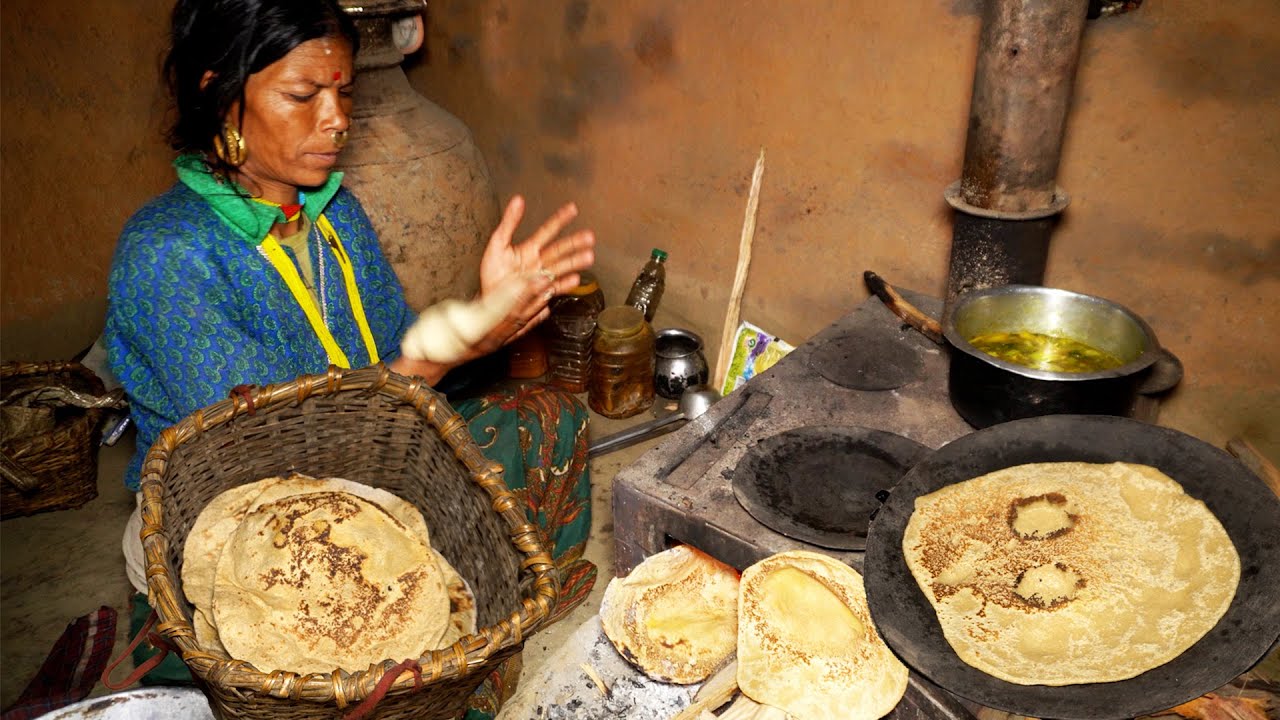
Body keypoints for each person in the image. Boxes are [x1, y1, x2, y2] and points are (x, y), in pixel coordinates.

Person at [103, 1, 595, 716]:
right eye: (303, 96)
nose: (335, 119)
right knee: (330, 638)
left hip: (367, 461)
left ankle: (474, 649)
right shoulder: (167, 255)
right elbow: (267, 445)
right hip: (246, 515)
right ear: (219, 92)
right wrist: (440, 352)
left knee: (545, 417)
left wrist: (472, 317)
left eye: (345, 94)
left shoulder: (334, 212)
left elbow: (396, 346)